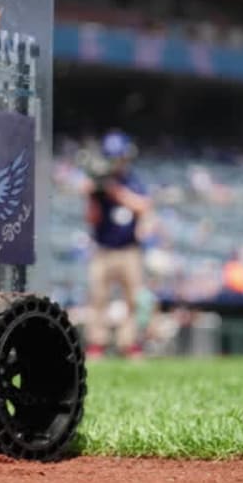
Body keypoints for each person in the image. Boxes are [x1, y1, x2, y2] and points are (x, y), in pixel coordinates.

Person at [83, 130, 153, 359]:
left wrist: (117, 192)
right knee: (98, 299)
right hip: (103, 249)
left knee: (132, 300)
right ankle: (97, 344)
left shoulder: (132, 181)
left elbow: (143, 206)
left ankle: (129, 343)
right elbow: (91, 219)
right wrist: (94, 194)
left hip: (129, 250)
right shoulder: (99, 185)